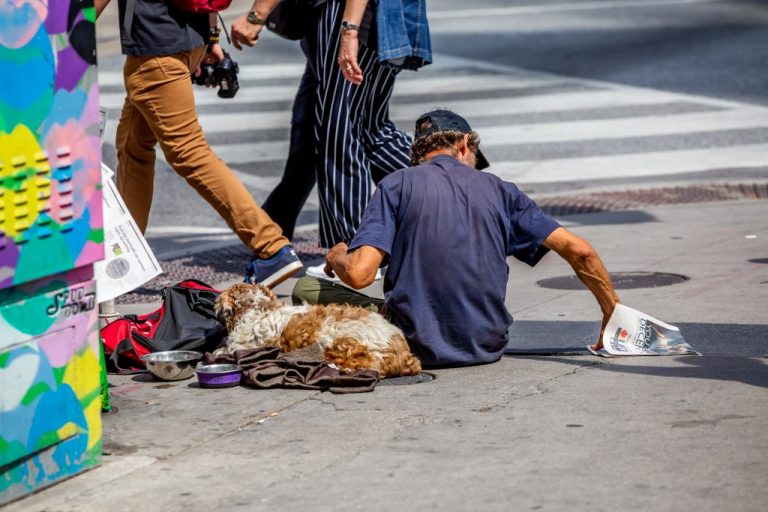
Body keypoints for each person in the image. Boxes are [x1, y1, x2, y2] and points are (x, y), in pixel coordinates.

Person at [291, 109, 621, 368]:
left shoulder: (397, 184)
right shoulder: (500, 189)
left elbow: (360, 274)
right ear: (464, 145)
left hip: (412, 344)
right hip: (486, 345)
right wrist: (612, 313)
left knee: (304, 289)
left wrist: (336, 255)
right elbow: (580, 251)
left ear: (420, 153)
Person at [95, 0, 302, 288]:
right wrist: (211, 38)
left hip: (155, 51)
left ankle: (271, 246)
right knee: (133, 147)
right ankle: (125, 258)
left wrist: (61, 39)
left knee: (189, 152)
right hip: (187, 41)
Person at [231, 0, 431, 279]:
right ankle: (457, 191)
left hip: (349, 16)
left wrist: (348, 32)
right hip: (378, 16)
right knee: (364, 129)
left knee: (341, 133)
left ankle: (353, 250)